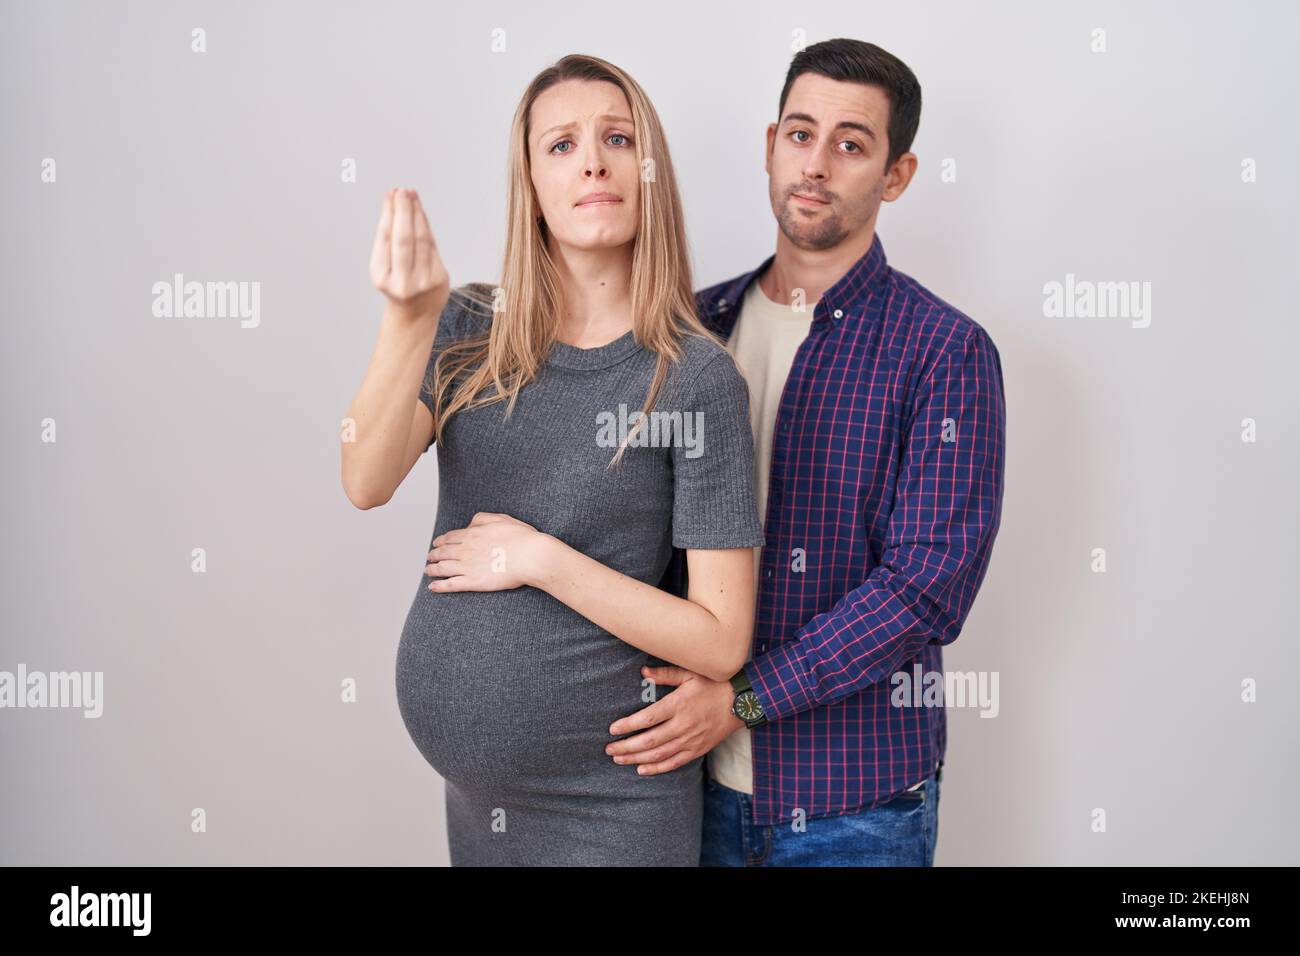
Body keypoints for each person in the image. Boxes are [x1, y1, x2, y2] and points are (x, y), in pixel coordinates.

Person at [340, 54, 764, 865]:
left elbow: (719, 641)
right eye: (561, 145)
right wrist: (406, 317)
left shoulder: (694, 377)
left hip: (615, 800)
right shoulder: (467, 325)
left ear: (648, 172)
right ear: (529, 181)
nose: (594, 160)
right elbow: (365, 478)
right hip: (479, 806)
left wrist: (538, 559)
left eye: (616, 137)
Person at [604, 38, 1008, 866]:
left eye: (851, 144)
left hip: (855, 804)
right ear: (768, 145)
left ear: (895, 175)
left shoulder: (945, 352)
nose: (816, 164)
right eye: (800, 134)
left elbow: (925, 590)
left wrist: (743, 703)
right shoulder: (689, 330)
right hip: (682, 785)